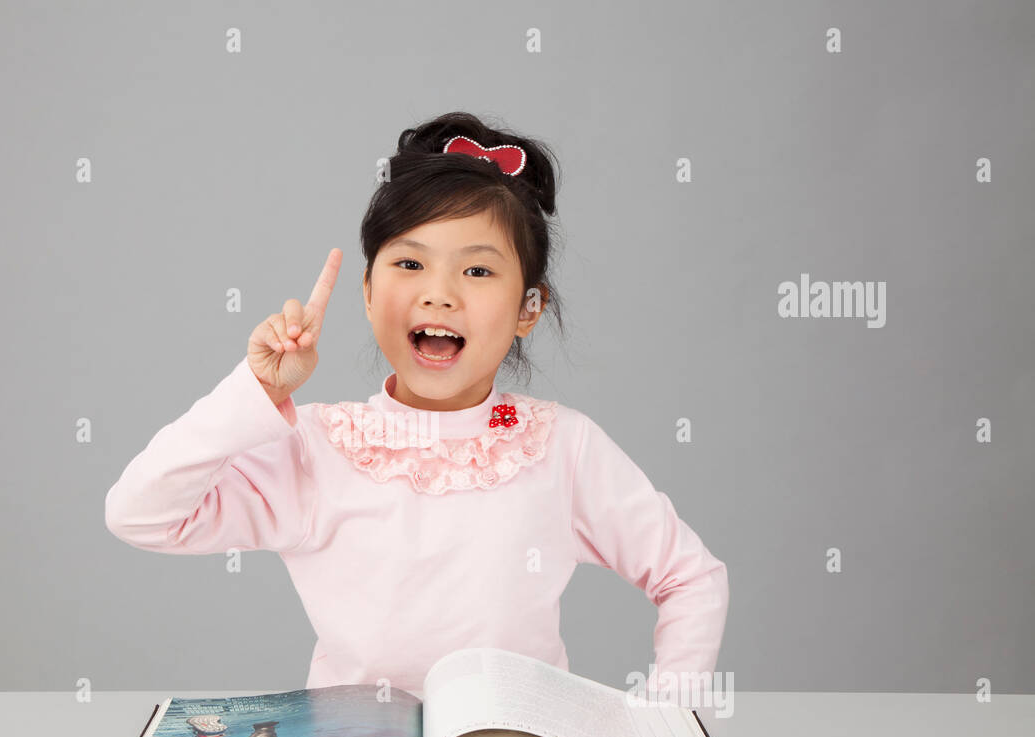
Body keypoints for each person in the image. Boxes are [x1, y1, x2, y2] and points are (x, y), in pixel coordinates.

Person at [105, 111, 729, 701]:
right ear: (370, 293)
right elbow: (141, 515)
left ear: (527, 310)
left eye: (478, 272)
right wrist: (257, 392)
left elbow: (691, 578)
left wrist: (666, 726)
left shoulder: (562, 447)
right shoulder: (318, 446)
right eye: (409, 263)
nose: (439, 295)